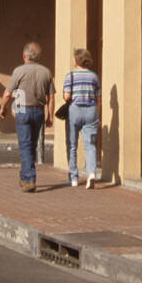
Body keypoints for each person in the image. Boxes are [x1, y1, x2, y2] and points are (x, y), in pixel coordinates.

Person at [0, 42, 55, 192]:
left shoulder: (19, 71)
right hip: (38, 111)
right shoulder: (46, 72)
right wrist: (50, 116)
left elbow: (7, 93)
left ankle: (29, 179)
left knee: (25, 145)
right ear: (38, 56)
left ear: (24, 56)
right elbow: (51, 97)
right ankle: (24, 176)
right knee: (31, 145)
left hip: (23, 110)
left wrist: (3, 107)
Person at [63, 48, 101, 189]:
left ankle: (73, 177)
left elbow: (67, 96)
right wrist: (98, 114)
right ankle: (91, 173)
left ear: (76, 60)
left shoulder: (70, 76)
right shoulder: (93, 76)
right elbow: (98, 97)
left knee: (72, 145)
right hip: (91, 110)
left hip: (75, 110)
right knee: (90, 145)